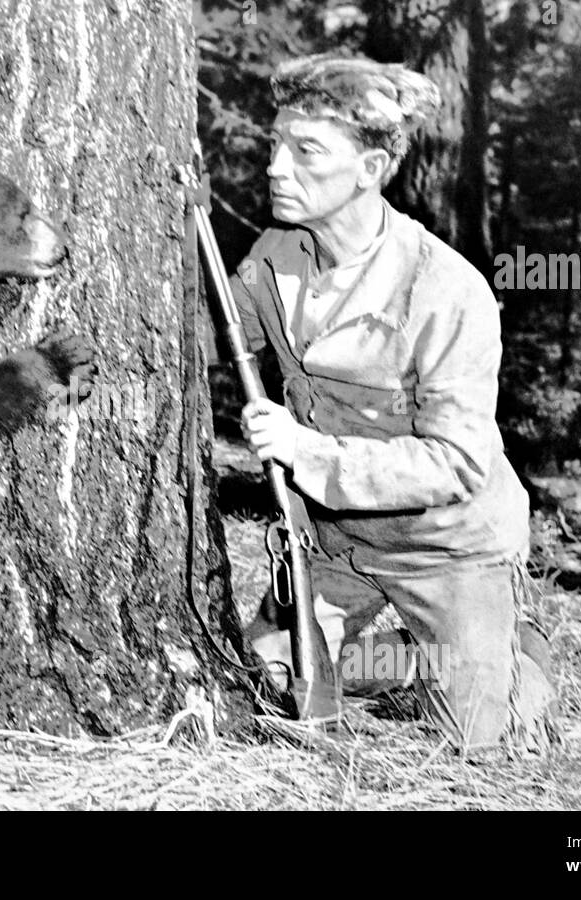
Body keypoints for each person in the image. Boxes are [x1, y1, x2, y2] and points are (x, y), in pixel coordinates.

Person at [232, 54, 557, 755]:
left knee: (483, 741)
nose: (275, 168)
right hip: (342, 544)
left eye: (305, 150)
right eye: (275, 145)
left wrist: (303, 449)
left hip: (448, 545)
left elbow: (454, 463)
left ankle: (514, 655)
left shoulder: (445, 290)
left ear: (372, 168)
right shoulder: (275, 257)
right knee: (266, 675)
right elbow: (198, 342)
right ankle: (410, 661)